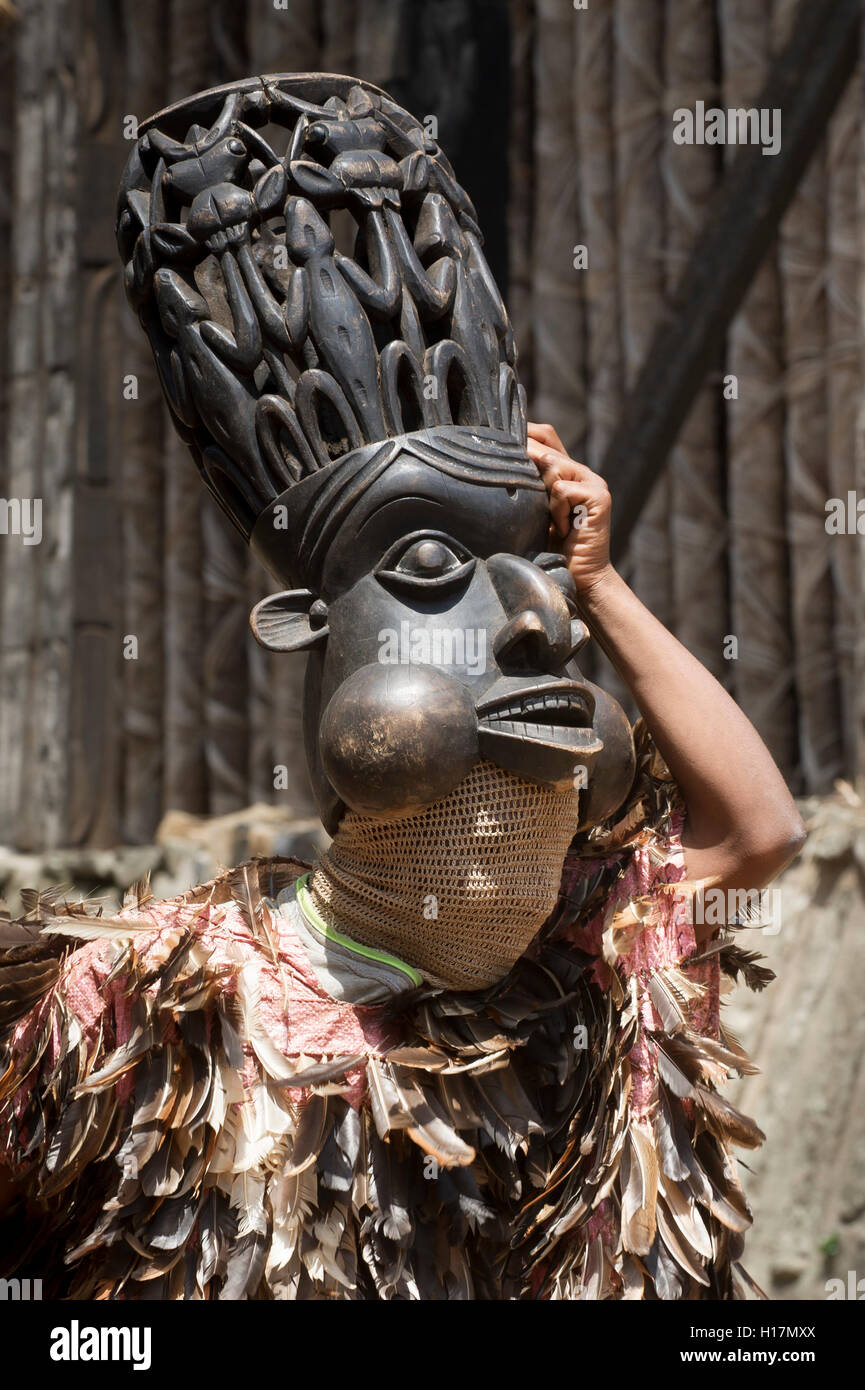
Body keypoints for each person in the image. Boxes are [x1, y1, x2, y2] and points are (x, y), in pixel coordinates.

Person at [0, 73, 803, 1301]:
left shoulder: (577, 966)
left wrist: (605, 585)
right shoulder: (155, 1003)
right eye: (434, 566)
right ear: (312, 633)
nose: (535, 618)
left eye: (535, 573)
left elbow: (761, 831)